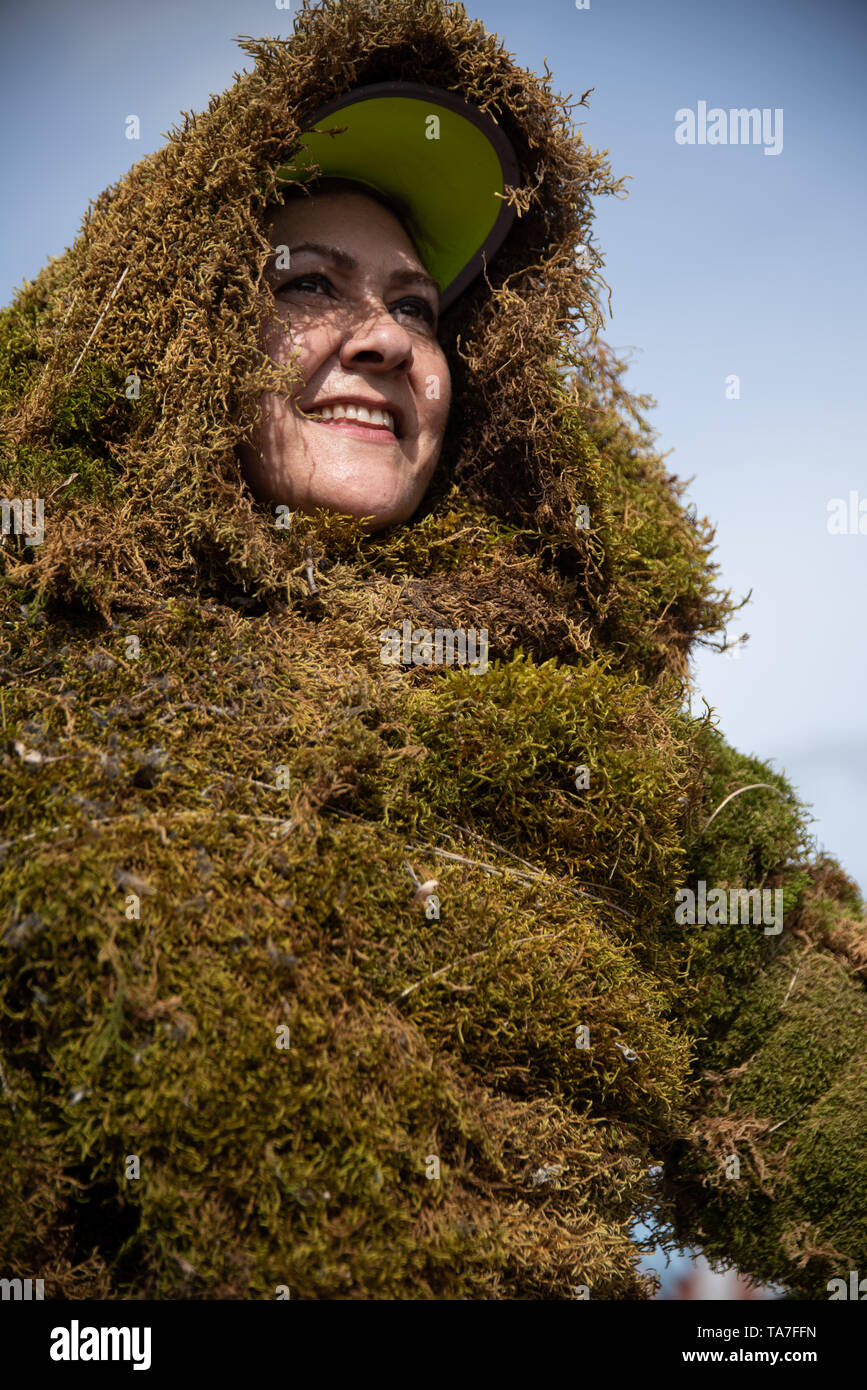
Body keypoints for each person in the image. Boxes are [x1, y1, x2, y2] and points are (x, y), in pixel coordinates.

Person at [0, 0, 864, 1302]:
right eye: (308, 283)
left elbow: (822, 1088)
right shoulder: (41, 691)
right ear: (169, 326)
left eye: (418, 303)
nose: (390, 337)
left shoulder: (588, 744)